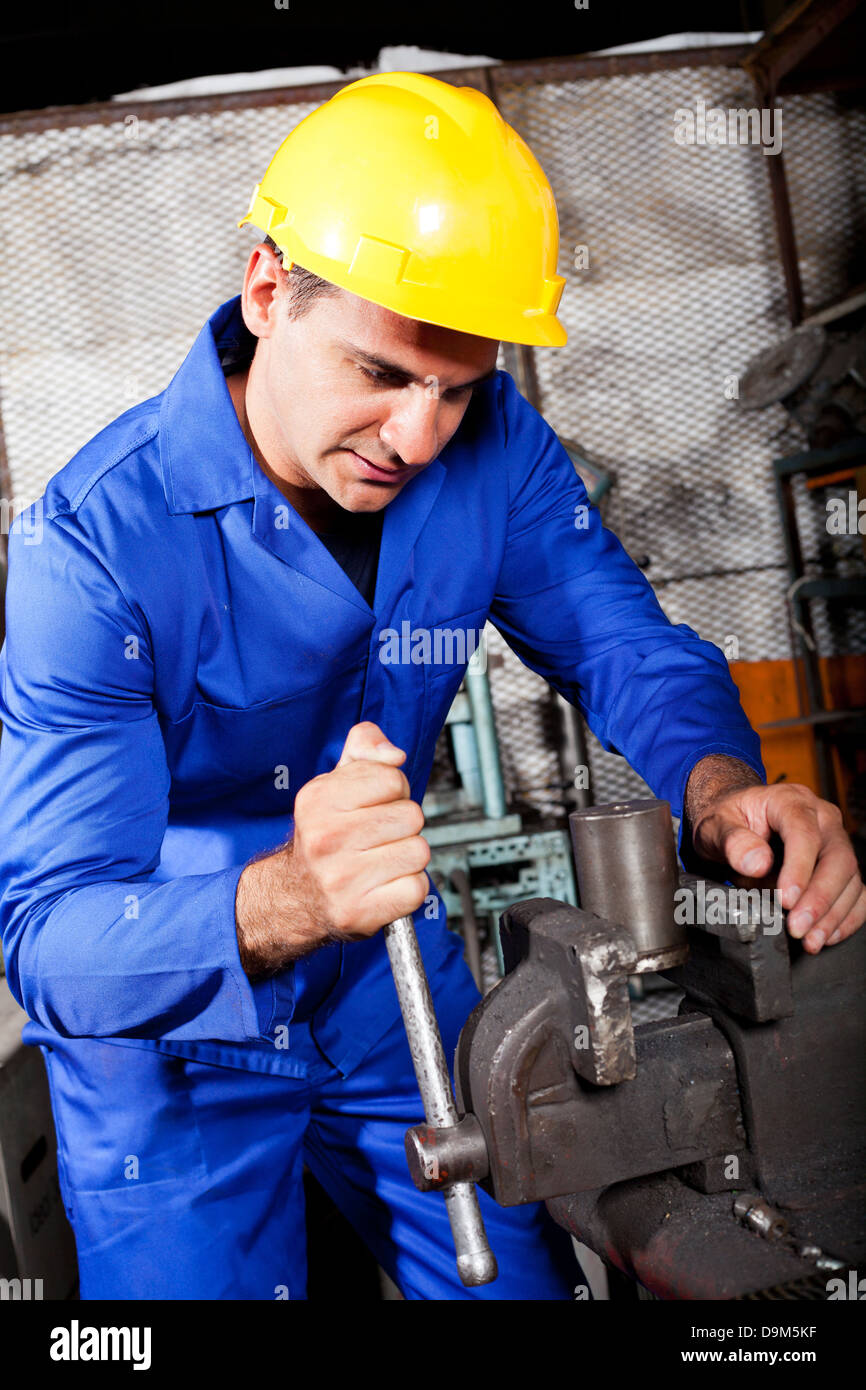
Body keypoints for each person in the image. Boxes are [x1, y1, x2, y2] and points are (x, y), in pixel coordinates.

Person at [0, 70, 862, 1302]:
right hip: (164, 1030)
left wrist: (723, 787)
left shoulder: (497, 448)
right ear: (266, 293)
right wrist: (286, 896)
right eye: (380, 372)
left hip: (383, 978)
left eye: (455, 387)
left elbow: (617, 639)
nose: (418, 437)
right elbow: (51, 942)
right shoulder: (93, 546)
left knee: (512, 1273)